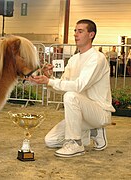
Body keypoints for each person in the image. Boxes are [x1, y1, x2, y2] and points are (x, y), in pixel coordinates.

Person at [28, 19, 115, 158]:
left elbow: (79, 86)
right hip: (82, 113)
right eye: (75, 31)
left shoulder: (97, 58)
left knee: (71, 96)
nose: (75, 34)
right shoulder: (74, 59)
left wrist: (51, 81)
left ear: (91, 35)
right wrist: (48, 80)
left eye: (80, 31)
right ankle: (93, 131)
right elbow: (62, 86)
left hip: (99, 112)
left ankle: (76, 143)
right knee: (50, 141)